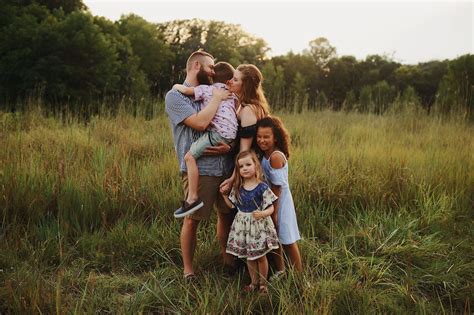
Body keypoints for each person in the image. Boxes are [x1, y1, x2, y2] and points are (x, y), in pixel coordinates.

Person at [165, 50, 236, 280]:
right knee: (192, 219)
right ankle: (189, 271)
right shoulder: (176, 97)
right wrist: (215, 98)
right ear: (197, 65)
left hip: (225, 166)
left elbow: (232, 124)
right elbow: (201, 123)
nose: (214, 72)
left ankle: (229, 263)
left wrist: (231, 148)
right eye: (210, 67)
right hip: (199, 170)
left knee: (226, 215)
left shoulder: (219, 90)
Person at [172, 61, 239, 218]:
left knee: (189, 157)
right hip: (232, 135)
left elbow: (185, 90)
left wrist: (175, 86)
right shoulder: (231, 93)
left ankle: (193, 197)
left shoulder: (207, 89)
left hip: (217, 134)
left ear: (214, 76)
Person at [222, 150, 280, 294]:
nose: (245, 168)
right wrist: (224, 196)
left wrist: (263, 213)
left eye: (248, 164)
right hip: (243, 227)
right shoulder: (238, 188)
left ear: (256, 166)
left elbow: (271, 207)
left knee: (260, 256)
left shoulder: (262, 187)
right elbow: (232, 206)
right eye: (241, 167)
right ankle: (253, 283)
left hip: (257, 226)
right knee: (249, 256)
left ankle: (263, 284)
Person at [256, 116, 303, 279]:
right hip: (270, 200)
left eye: (266, 137)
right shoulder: (265, 154)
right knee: (274, 238)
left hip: (279, 201)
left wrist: (273, 212)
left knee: (287, 239)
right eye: (259, 136)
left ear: (275, 138)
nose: (262, 140)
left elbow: (277, 188)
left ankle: (299, 275)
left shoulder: (275, 157)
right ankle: (281, 270)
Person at [219, 64, 270, 192]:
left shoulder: (248, 110)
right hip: (245, 164)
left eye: (235, 80)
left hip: (249, 167)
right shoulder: (244, 104)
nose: (230, 81)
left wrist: (233, 178)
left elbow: (244, 151)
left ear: (245, 85)